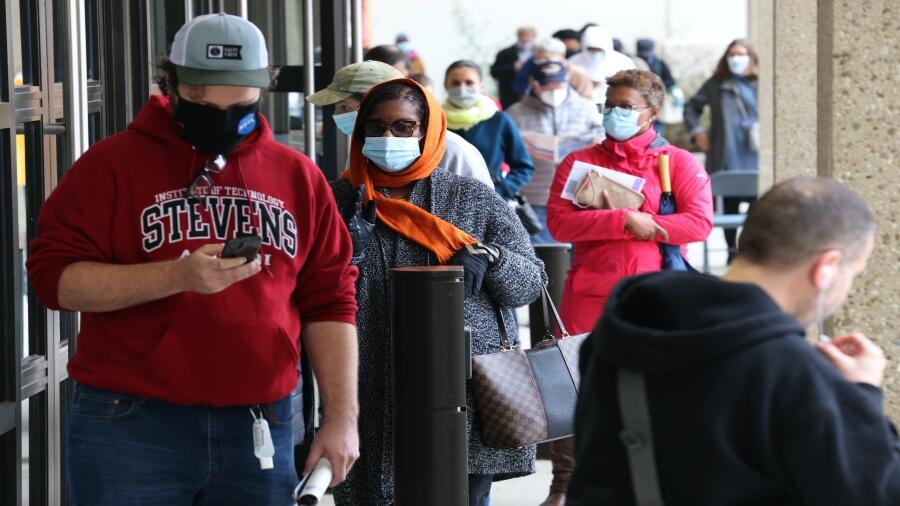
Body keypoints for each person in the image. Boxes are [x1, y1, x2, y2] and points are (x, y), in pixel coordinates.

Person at [26, 13, 359, 504]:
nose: (221, 116)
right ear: (171, 84)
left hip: (261, 421)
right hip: (130, 424)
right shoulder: (109, 166)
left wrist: (341, 419)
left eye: (238, 102)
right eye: (202, 101)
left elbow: (331, 301)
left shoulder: (299, 177)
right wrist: (175, 276)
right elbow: (54, 282)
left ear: (263, 89)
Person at [567, 177, 900, 505]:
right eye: (852, 275)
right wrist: (862, 395)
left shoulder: (618, 334)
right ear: (826, 267)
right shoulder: (790, 370)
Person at [330, 78, 545, 506]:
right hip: (368, 380)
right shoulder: (339, 199)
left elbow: (531, 281)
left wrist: (491, 257)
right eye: (375, 127)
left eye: (403, 127)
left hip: (459, 386)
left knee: (458, 490)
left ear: (427, 131)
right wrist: (343, 255)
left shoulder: (471, 197)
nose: (387, 137)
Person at [545, 69, 713, 506]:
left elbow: (698, 223)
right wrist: (622, 219)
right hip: (586, 293)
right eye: (610, 105)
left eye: (625, 106)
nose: (614, 114)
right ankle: (566, 486)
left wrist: (650, 224)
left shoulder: (677, 162)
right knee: (578, 391)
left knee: (653, 389)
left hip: (653, 295)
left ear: (652, 113)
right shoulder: (578, 162)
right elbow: (559, 221)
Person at [306, 60, 493, 188]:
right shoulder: (361, 150)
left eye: (344, 107)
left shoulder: (455, 153)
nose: (336, 115)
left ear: (372, 104)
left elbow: (489, 221)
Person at [507, 61, 603, 244]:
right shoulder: (516, 113)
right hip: (536, 199)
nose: (553, 90)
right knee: (547, 260)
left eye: (558, 85)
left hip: (582, 198)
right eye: (546, 86)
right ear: (534, 83)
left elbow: (604, 136)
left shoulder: (587, 107)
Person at [684, 39, 759, 261]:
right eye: (732, 54)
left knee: (757, 206)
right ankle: (731, 251)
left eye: (741, 53)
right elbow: (691, 107)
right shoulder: (716, 83)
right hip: (726, 153)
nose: (736, 58)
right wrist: (698, 132)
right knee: (729, 204)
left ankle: (746, 248)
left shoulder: (762, 82)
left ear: (751, 57)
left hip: (756, 154)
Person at [443, 60, 536, 201]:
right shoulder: (436, 121)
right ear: (446, 86)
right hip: (445, 206)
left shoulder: (498, 120)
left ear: (481, 86)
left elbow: (524, 167)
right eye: (455, 83)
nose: (462, 89)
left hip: (490, 207)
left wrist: (499, 192)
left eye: (469, 83)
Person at [568, 25, 636, 103]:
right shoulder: (573, 62)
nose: (594, 53)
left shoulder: (624, 63)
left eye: (599, 50)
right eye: (591, 49)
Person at [512, 37, 594, 100]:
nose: (542, 61)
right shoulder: (534, 70)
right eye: (538, 58)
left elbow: (587, 99)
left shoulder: (577, 73)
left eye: (546, 58)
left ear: (561, 56)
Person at [635, 38, 681, 135]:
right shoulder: (634, 62)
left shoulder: (659, 63)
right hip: (638, 104)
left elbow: (670, 81)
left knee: (657, 132)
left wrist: (657, 85)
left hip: (657, 102)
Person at [489, 26, 537, 108]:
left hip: (534, 96)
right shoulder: (505, 53)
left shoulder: (540, 53)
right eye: (522, 35)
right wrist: (513, 68)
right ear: (518, 36)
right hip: (509, 97)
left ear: (534, 37)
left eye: (528, 35)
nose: (525, 38)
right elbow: (494, 72)